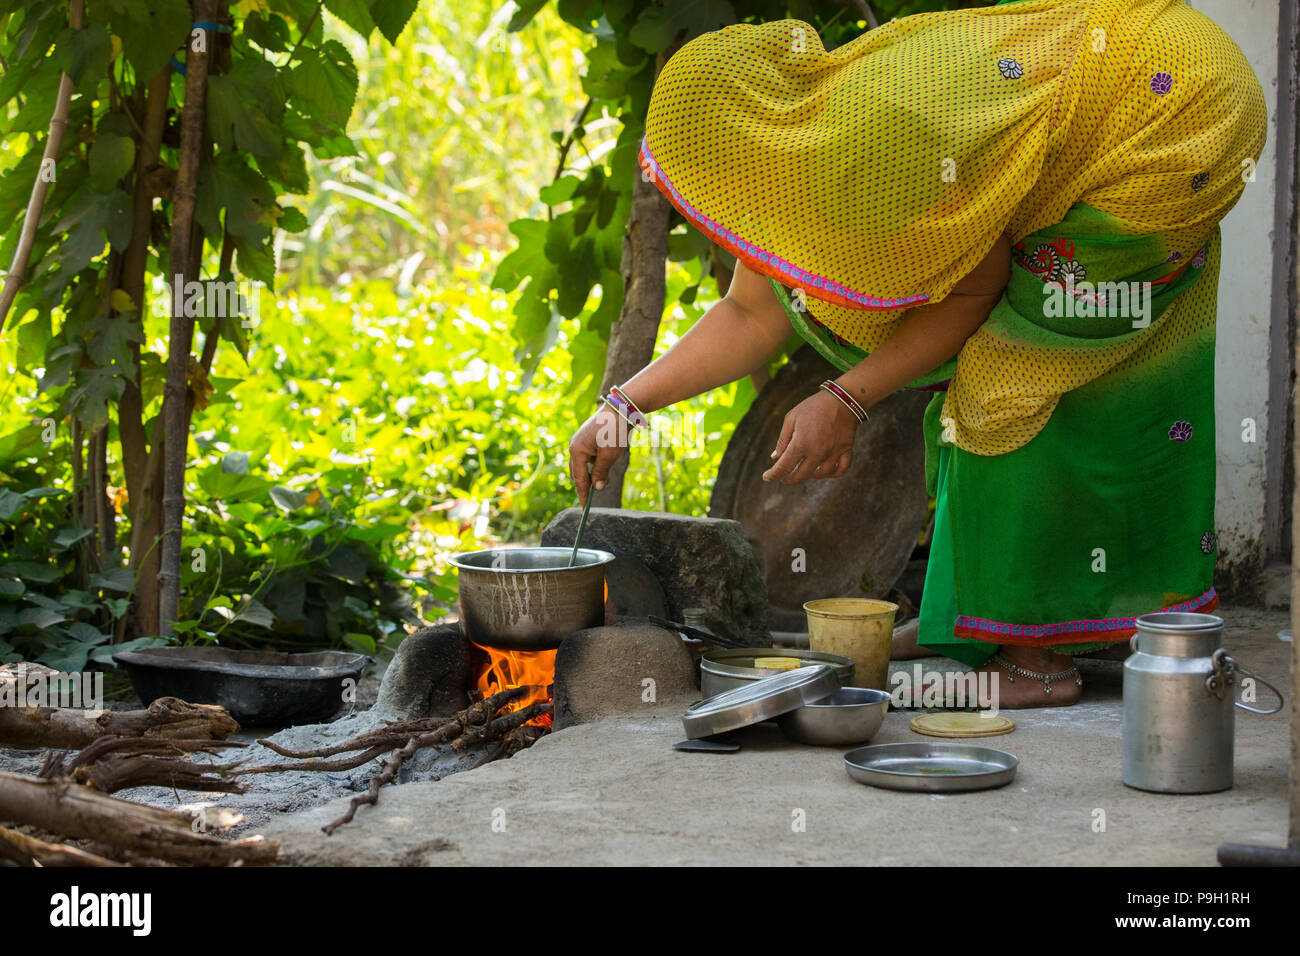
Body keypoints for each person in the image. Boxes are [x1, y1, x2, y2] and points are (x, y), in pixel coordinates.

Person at [567, 0, 1267, 707]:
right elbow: (750, 312)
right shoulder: (787, 154)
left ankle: (1034, 665)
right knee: (1088, 382)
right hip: (1144, 82)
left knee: (1002, 387)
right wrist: (623, 407)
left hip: (1178, 113)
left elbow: (974, 294)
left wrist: (845, 398)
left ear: (742, 141)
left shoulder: (877, 150)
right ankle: (1009, 623)